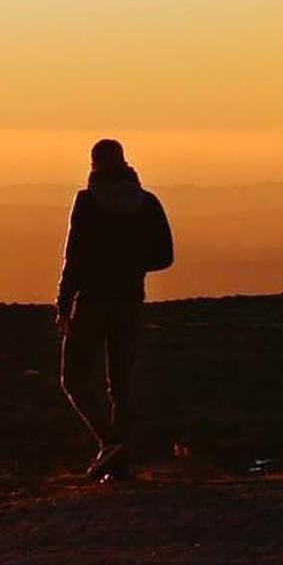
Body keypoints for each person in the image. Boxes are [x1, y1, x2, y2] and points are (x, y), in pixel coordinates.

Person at [56, 138, 173, 481]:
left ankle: (110, 444)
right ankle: (118, 464)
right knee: (120, 386)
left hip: (91, 302)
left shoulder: (87, 202)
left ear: (94, 164)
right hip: (130, 302)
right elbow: (165, 257)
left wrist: (63, 304)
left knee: (74, 379)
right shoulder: (148, 203)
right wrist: (131, 264)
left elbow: (73, 258)